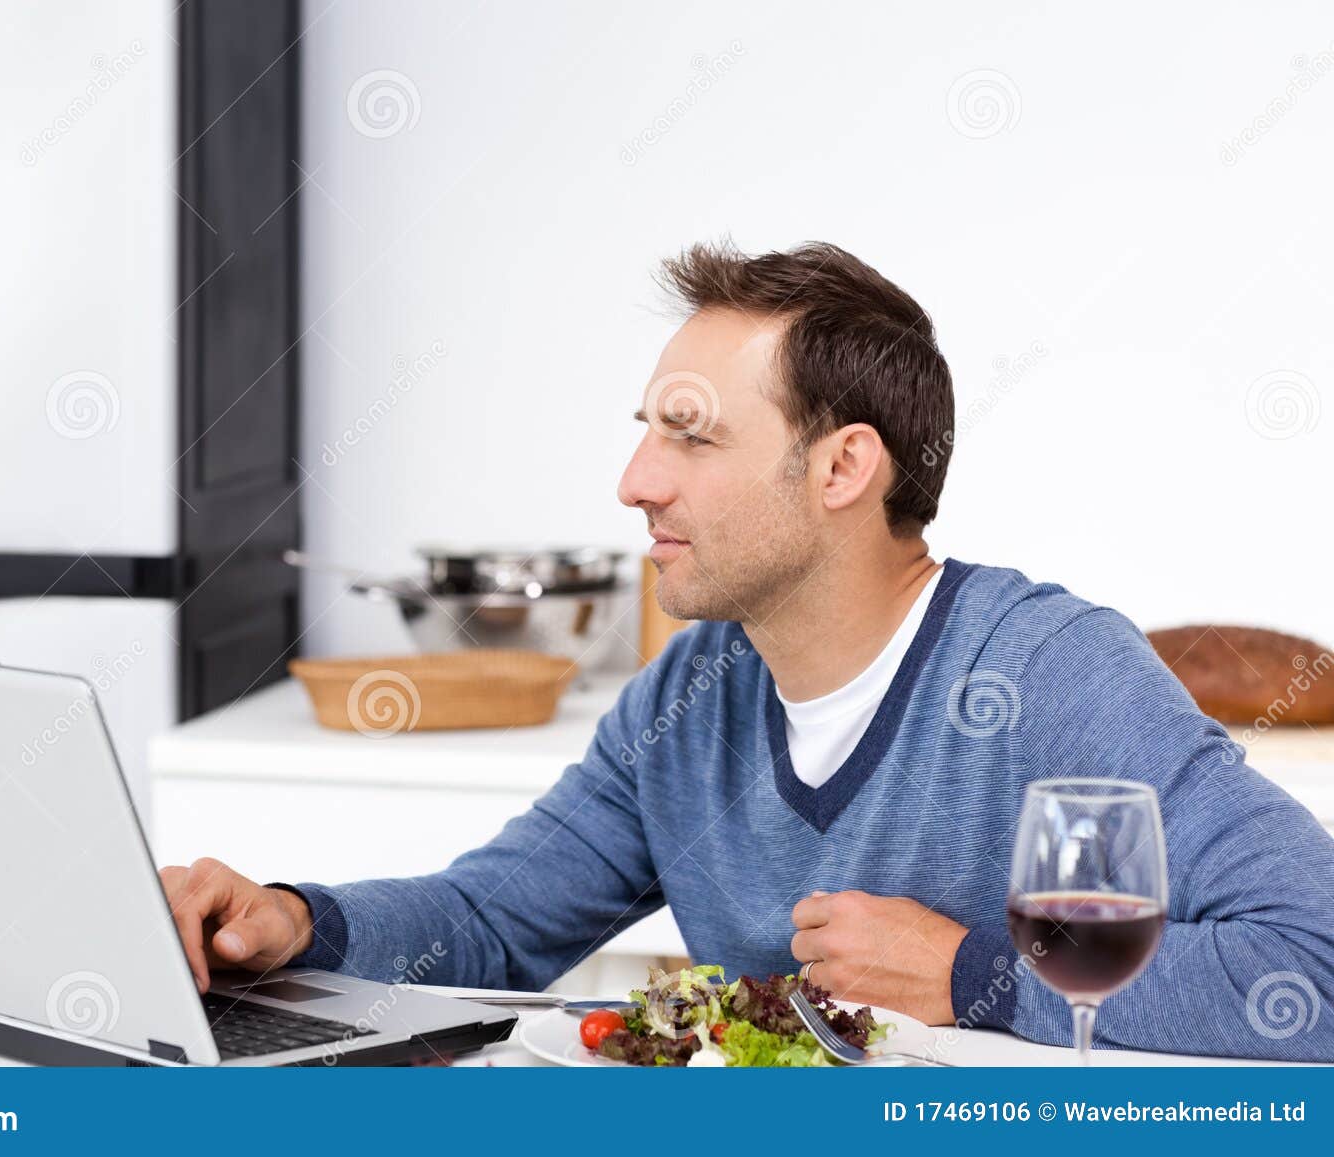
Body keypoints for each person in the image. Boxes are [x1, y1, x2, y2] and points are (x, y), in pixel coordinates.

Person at [160, 241, 1334, 1060]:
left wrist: (976, 973)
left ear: (841, 468)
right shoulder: (690, 694)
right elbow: (497, 918)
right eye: (644, 436)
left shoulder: (1052, 671)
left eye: (690, 438)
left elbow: (1314, 969)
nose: (635, 483)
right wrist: (293, 918)